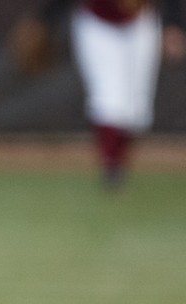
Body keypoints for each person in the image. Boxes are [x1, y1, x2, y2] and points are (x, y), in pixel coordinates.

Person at [34, 0, 186, 189]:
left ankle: (118, 160)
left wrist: (174, 23)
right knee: (108, 101)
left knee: (137, 111)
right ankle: (112, 165)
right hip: (98, 23)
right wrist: (45, 21)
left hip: (140, 22)